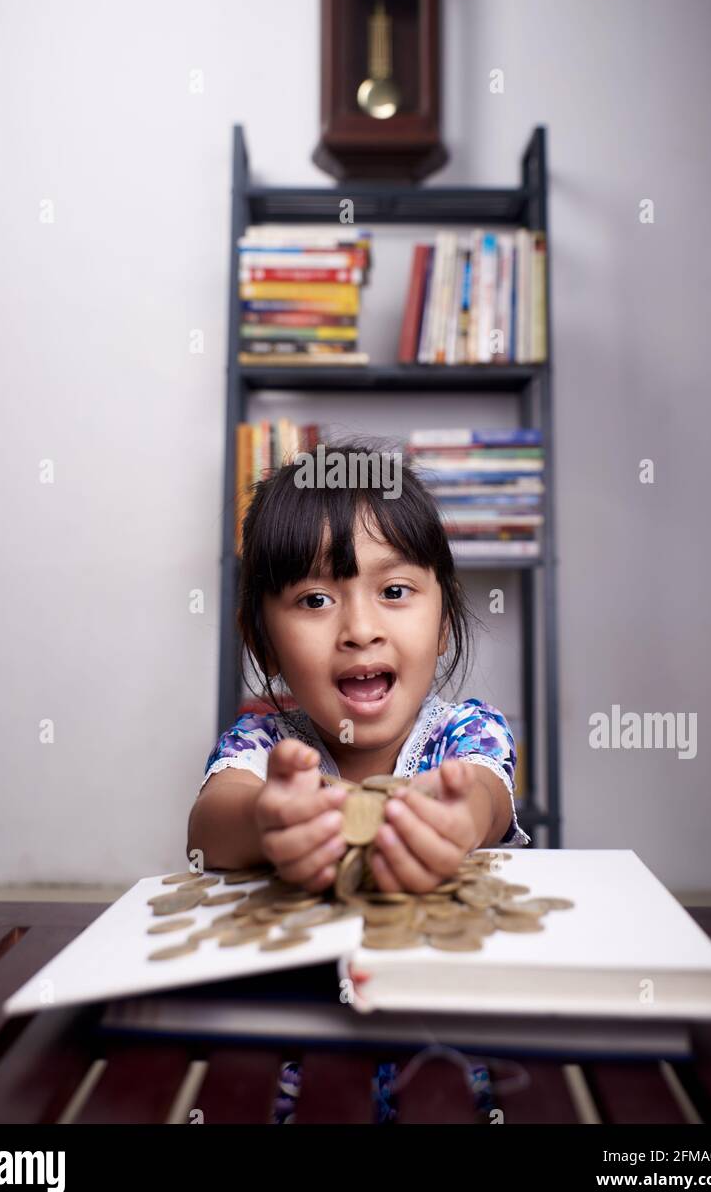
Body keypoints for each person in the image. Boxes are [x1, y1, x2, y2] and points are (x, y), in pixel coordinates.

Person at [187, 440, 530, 1121]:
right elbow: (209, 822)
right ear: (263, 644)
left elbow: (485, 796)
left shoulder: (465, 733)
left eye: (395, 591)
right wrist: (267, 821)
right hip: (296, 1060)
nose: (360, 629)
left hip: (453, 1060)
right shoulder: (264, 746)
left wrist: (453, 820)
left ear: (441, 623)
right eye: (314, 599)